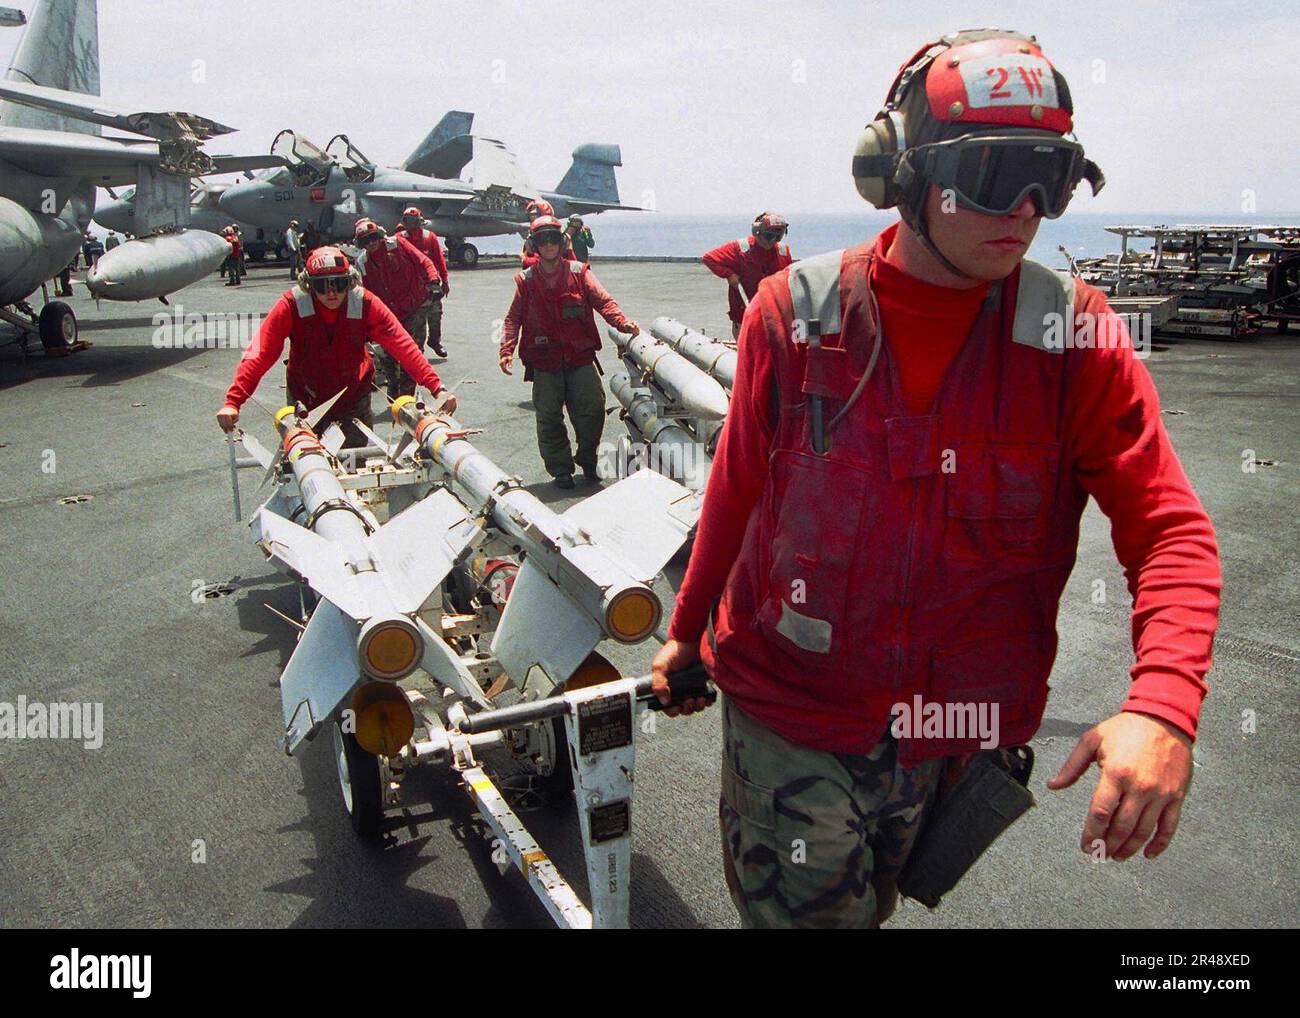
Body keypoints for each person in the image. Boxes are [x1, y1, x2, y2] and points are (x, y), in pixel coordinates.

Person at [651, 28, 1221, 929]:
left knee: (878, 903)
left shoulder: (1073, 336)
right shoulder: (793, 316)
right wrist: (686, 636)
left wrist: (1165, 704)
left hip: (954, 733)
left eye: (1053, 177)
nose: (1026, 211)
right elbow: (740, 488)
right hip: (796, 714)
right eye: (997, 174)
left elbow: (1169, 529)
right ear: (903, 172)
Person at [216, 246, 455, 446]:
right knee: (305, 464)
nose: (331, 292)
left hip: (353, 399)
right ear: (308, 285)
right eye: (322, 285)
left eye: (338, 283)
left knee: (356, 466)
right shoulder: (292, 305)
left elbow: (402, 344)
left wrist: (437, 387)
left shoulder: (364, 302)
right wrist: (233, 402)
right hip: (306, 402)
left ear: (350, 281)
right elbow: (260, 352)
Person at [499, 215, 639, 488]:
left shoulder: (579, 272)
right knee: (549, 416)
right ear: (534, 245)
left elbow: (603, 301)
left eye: (554, 238)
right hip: (545, 362)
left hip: (579, 358)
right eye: (543, 240)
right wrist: (506, 349)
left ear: (562, 242)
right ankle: (561, 469)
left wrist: (622, 322)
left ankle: (587, 458)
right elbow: (512, 319)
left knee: (593, 410)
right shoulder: (526, 281)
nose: (549, 244)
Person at [352, 218, 442, 397]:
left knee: (412, 354)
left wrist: (434, 281)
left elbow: (424, 261)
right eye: (365, 241)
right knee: (389, 358)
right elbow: (364, 294)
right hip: (388, 317)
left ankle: (407, 398)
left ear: (380, 235)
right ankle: (393, 387)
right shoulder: (362, 264)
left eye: (373, 237)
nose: (371, 243)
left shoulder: (399, 244)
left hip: (413, 309)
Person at [701, 213, 794, 339]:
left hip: (774, 317)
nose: (772, 241)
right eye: (769, 236)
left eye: (778, 237)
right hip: (745, 316)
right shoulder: (741, 249)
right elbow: (709, 258)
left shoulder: (783, 251)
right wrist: (729, 275)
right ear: (757, 232)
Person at [393, 206, 450, 358]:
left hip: (431, 285)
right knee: (418, 323)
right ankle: (418, 353)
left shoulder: (429, 237)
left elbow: (439, 260)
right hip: (411, 288)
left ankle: (435, 341)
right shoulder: (399, 238)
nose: (410, 224)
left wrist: (444, 280)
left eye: (413, 220)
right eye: (407, 220)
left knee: (436, 316)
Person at [520, 198, 572, 268]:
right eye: (530, 216)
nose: (532, 220)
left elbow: (553, 263)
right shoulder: (531, 240)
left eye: (534, 215)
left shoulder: (556, 237)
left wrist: (525, 260)